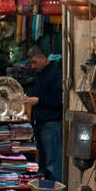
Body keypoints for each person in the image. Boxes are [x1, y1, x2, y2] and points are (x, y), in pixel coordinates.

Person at [24, 44, 64, 183]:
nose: (33, 66)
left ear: (43, 57)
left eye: (34, 62)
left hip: (52, 124)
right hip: (42, 124)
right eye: (31, 63)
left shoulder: (55, 73)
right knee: (45, 164)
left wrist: (39, 100)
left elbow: (60, 100)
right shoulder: (41, 74)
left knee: (53, 163)